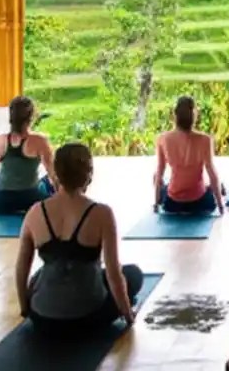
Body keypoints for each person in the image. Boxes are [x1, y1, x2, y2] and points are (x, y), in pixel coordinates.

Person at [16, 142, 143, 335]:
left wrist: (25, 308)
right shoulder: (102, 213)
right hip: (88, 318)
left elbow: (21, 269)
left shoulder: (35, 212)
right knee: (133, 274)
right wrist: (127, 313)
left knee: (40, 275)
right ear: (88, 174)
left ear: (56, 173)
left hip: (43, 319)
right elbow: (113, 273)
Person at [154, 96, 225, 214]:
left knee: (157, 178)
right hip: (200, 203)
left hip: (173, 205)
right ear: (194, 115)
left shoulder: (162, 139)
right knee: (214, 186)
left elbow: (159, 175)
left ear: (175, 115)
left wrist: (156, 204)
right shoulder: (205, 140)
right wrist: (220, 205)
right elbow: (212, 173)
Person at [0, 96, 57, 215]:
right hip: (30, 200)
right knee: (45, 183)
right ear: (31, 116)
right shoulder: (39, 141)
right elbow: (52, 172)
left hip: (1, 201)